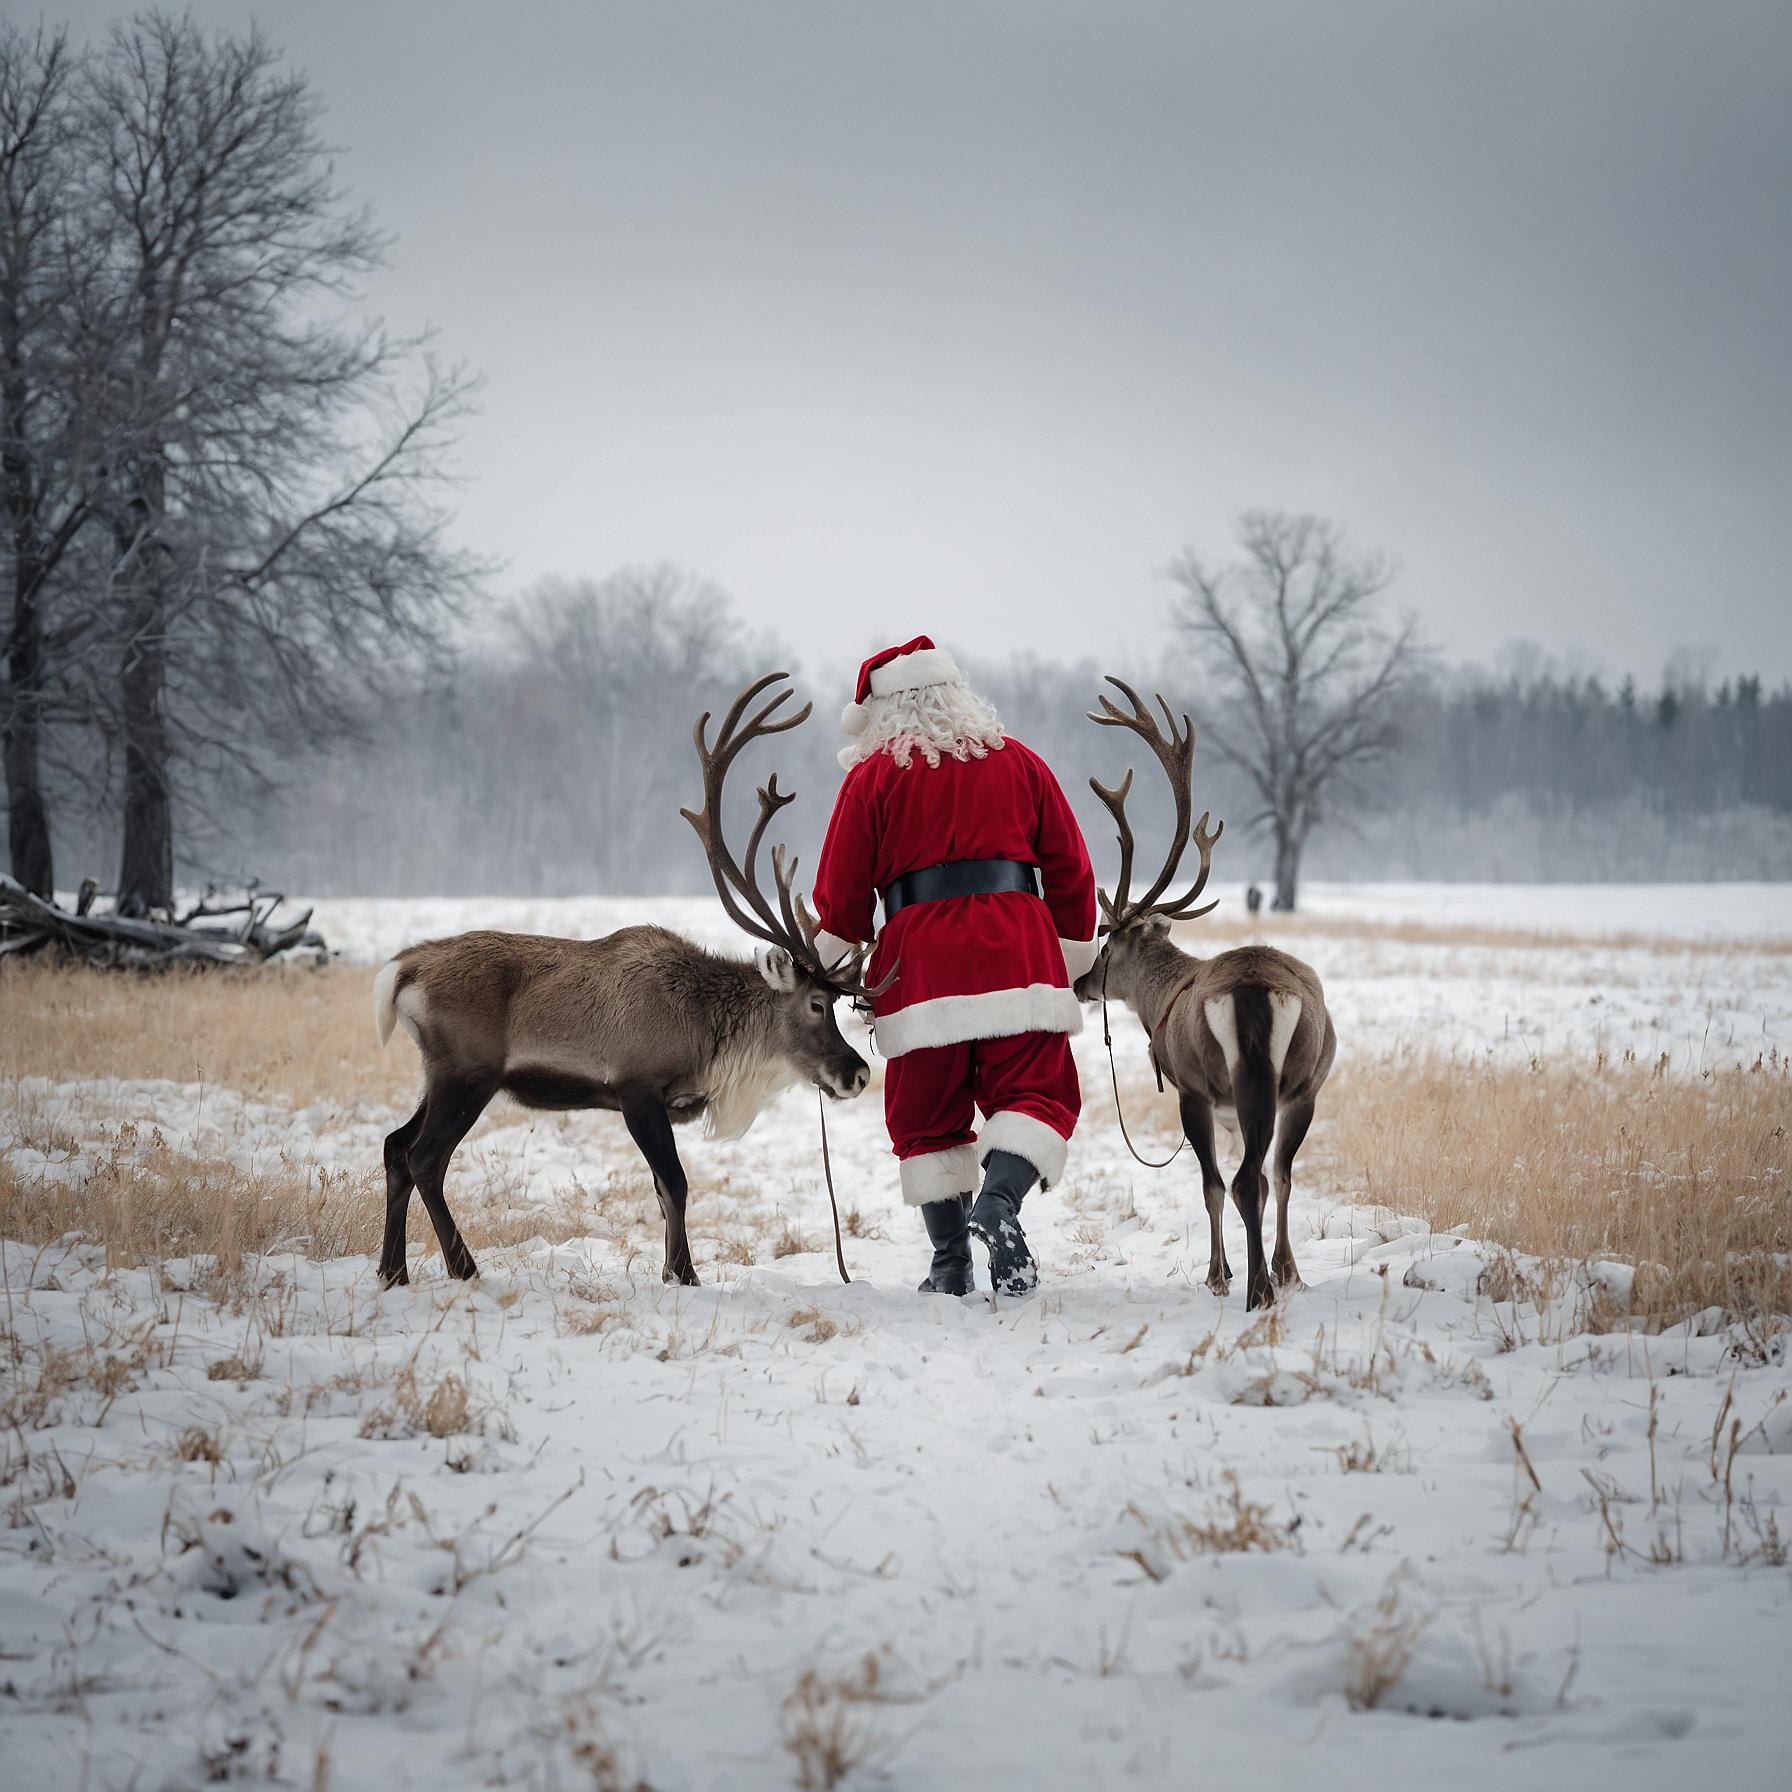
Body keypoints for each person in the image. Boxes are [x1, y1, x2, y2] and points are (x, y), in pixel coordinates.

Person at [811, 637, 1097, 1295]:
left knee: (926, 1112)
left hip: (920, 964)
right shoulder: (1020, 761)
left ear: (885, 711)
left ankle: (949, 1262)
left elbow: (843, 904)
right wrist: (1072, 949)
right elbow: (1070, 867)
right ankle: (999, 1203)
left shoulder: (871, 777)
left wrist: (819, 963)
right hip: (1018, 950)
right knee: (1034, 1092)